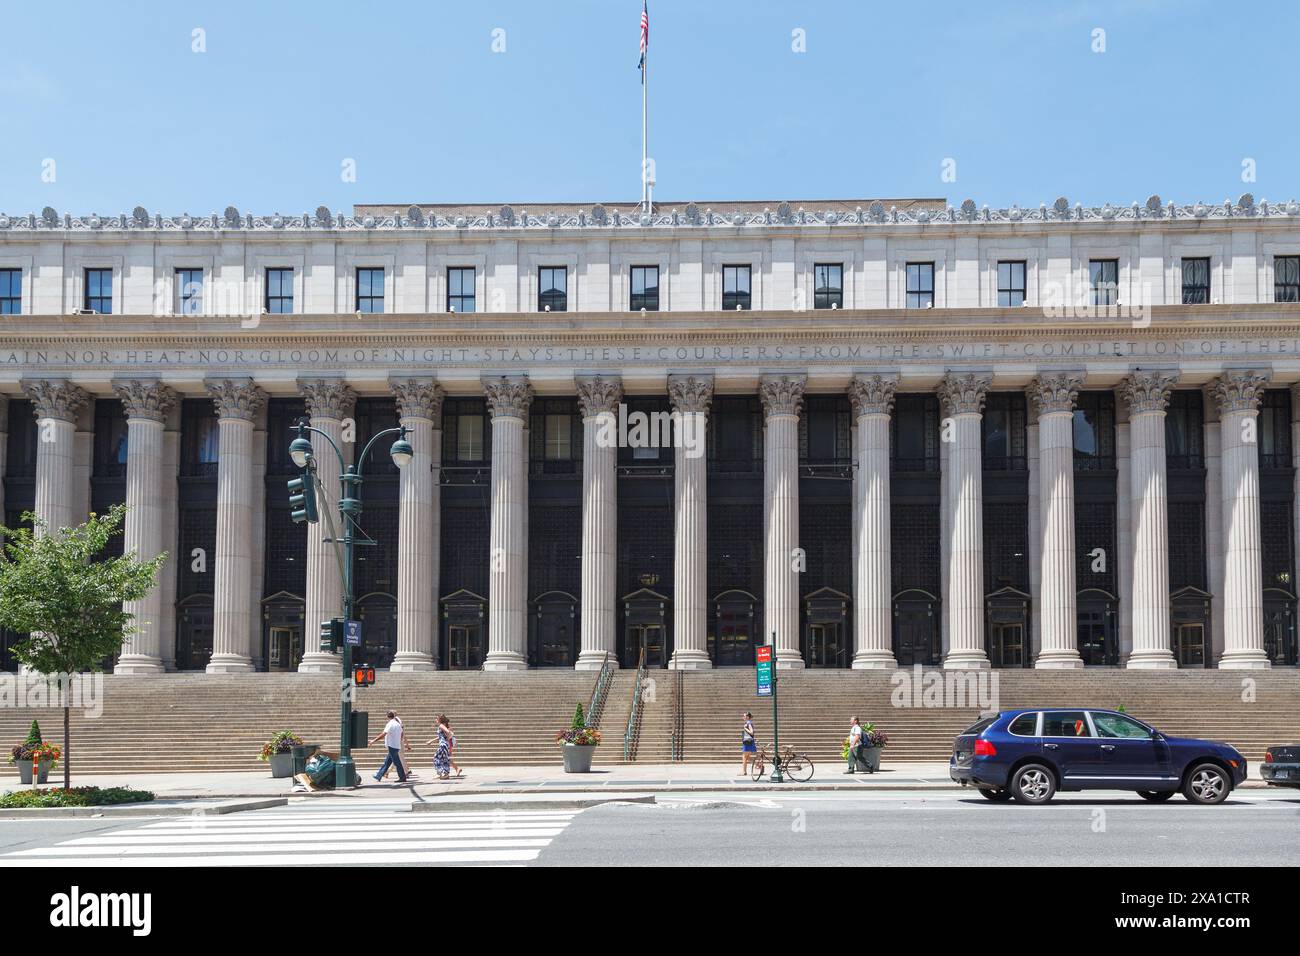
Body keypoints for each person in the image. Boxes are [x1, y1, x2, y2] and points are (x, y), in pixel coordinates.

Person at [370, 710, 408, 783]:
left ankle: (403, 777)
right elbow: (402, 733)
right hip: (396, 745)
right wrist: (399, 740)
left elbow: (384, 733)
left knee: (397, 763)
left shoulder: (390, 724)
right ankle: (379, 775)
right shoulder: (397, 724)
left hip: (392, 745)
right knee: (387, 762)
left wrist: (374, 740)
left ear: (387, 716)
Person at [427, 714, 455, 780]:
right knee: (444, 759)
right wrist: (431, 741)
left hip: (443, 745)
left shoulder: (441, 725)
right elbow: (441, 737)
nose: (435, 720)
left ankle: (442, 773)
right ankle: (444, 774)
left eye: (436, 719)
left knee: (436, 758)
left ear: (439, 720)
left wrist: (448, 737)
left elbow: (449, 732)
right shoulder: (442, 726)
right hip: (444, 745)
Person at [740, 712, 757, 776]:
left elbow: (752, 732)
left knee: (744, 757)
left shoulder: (748, 723)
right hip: (749, 741)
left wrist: (745, 728)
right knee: (748, 757)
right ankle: (759, 765)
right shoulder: (749, 723)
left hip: (747, 742)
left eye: (744, 716)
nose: (743, 717)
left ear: (747, 717)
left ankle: (744, 772)